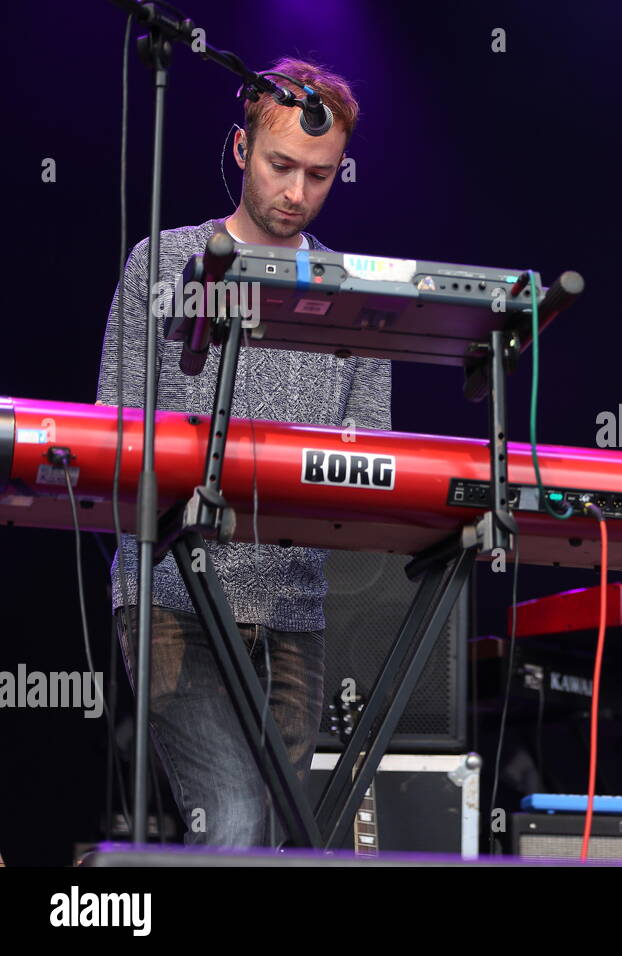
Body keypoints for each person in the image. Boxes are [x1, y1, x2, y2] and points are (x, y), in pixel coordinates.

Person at [96, 58, 390, 847]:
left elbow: (376, 462)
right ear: (239, 149)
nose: (297, 192)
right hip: (169, 602)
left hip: (292, 609)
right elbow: (110, 433)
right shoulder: (161, 263)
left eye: (320, 176)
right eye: (280, 165)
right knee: (229, 818)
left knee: (276, 836)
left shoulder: (357, 293)